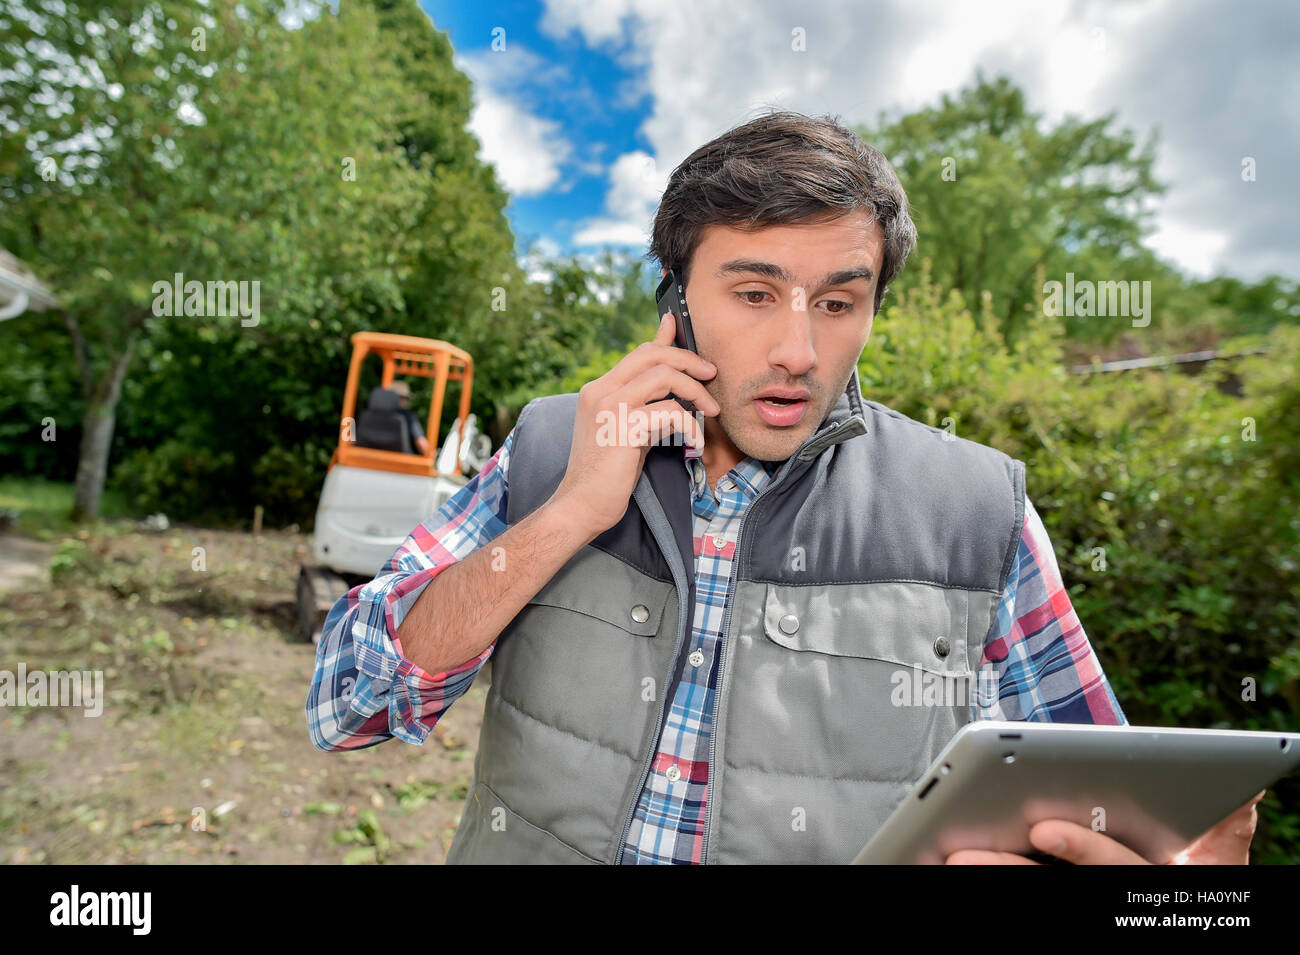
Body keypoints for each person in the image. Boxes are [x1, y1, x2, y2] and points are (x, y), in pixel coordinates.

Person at [305, 110, 1261, 864]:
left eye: (839, 302)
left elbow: (1125, 819)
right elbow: (346, 705)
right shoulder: (553, 448)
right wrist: (567, 516)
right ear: (677, 300)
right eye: (755, 294)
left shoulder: (977, 515)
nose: (799, 352)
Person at [386, 380, 430, 456]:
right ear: (401, 398)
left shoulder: (371, 414)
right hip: (401, 464)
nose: (405, 401)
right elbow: (423, 446)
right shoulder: (408, 417)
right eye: (405, 398)